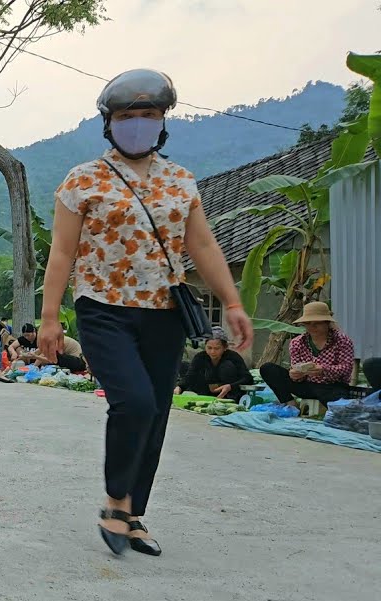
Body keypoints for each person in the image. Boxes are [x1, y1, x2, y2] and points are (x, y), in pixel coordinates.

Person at [39, 68, 252, 558]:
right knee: (133, 402)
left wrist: (233, 302)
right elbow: (62, 252)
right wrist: (50, 318)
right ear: (109, 124)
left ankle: (134, 514)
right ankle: (116, 500)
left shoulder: (181, 181)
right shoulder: (83, 180)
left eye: (149, 114)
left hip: (164, 311)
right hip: (102, 308)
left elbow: (202, 245)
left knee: (155, 412)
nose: (138, 123)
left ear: (163, 121)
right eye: (126, 116)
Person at [259, 302, 356, 406]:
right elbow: (296, 367)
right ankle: (289, 402)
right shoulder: (297, 343)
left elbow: (346, 368)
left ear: (327, 323)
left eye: (317, 323)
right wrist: (295, 374)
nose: (312, 327)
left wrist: (324, 370)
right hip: (306, 386)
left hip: (332, 386)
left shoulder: (342, 340)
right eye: (308, 323)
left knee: (340, 403)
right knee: (267, 369)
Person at [176, 329, 249, 399]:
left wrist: (230, 386)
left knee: (226, 366)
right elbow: (190, 376)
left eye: (217, 348)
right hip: (208, 391)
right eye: (209, 348)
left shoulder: (233, 357)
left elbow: (247, 378)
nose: (212, 352)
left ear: (225, 347)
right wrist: (180, 387)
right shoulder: (200, 357)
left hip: (229, 392)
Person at [18, 324, 88, 373]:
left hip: (78, 361)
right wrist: (26, 355)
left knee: (48, 357)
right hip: (70, 358)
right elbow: (39, 350)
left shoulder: (55, 340)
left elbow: (51, 359)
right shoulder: (49, 340)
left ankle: (34, 368)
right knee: (43, 356)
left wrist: (34, 363)